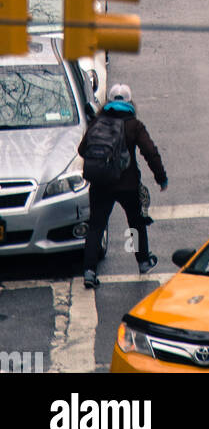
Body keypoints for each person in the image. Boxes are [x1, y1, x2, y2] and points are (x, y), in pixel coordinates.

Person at [79, 83, 168, 289]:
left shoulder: (97, 122)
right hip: (128, 185)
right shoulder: (134, 125)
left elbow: (82, 149)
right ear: (130, 102)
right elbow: (150, 152)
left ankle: (89, 271)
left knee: (96, 226)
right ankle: (143, 261)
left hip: (101, 184)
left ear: (108, 101)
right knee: (136, 223)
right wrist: (160, 177)